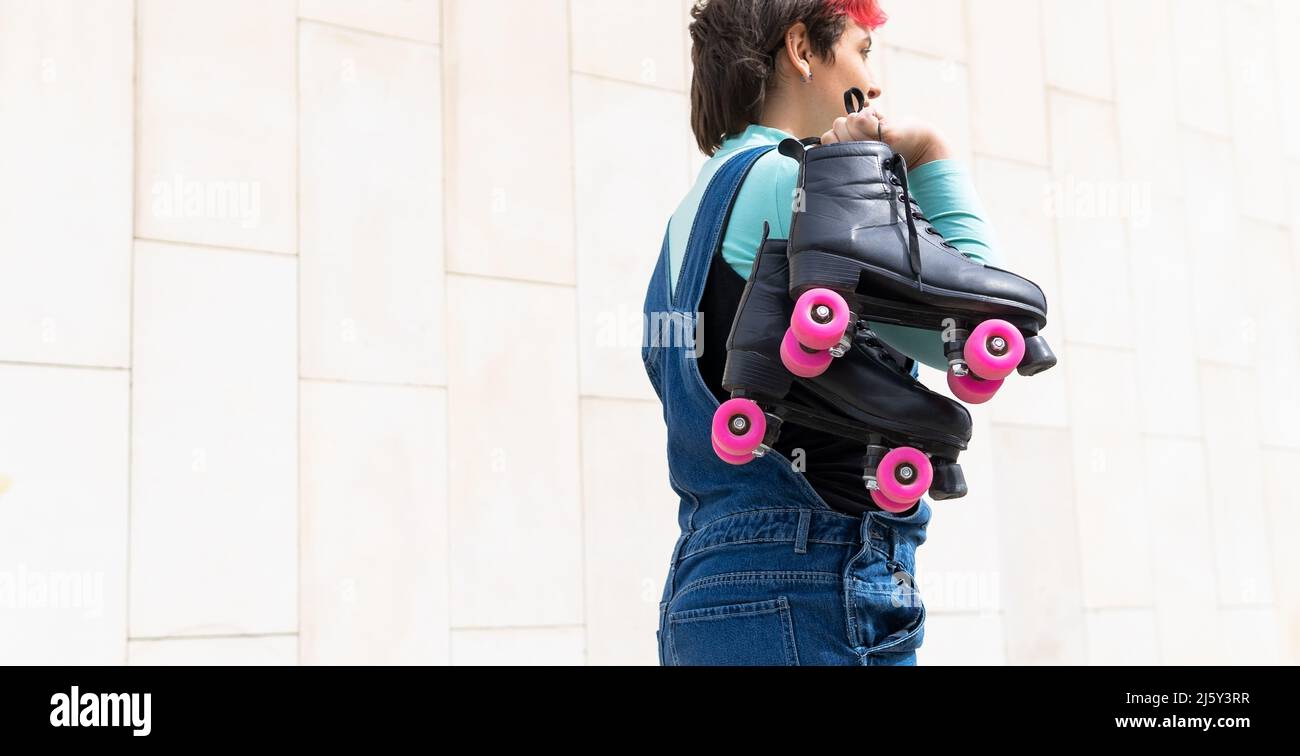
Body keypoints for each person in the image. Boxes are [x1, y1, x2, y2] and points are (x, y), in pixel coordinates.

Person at [643, 0, 1001, 665]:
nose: (877, 81)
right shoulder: (793, 183)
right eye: (863, 52)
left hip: (704, 590)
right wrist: (930, 153)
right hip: (810, 585)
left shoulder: (683, 222)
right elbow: (971, 321)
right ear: (803, 47)